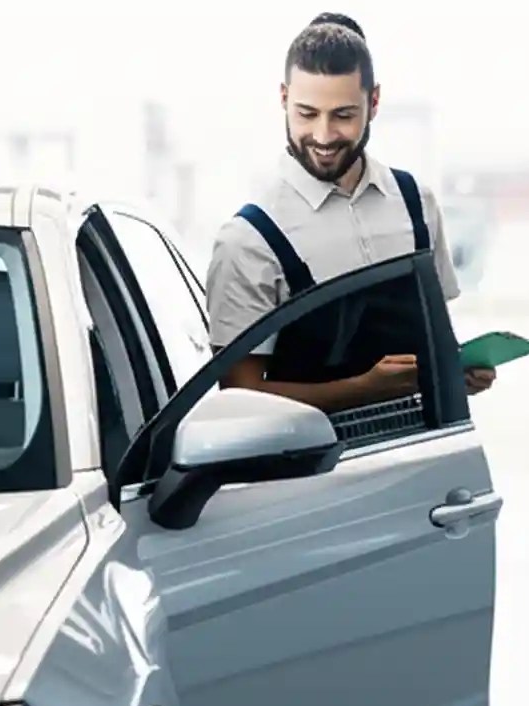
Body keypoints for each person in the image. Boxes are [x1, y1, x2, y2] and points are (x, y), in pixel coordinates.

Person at [204, 15, 496, 413]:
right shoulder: (247, 241)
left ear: (373, 102)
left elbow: (434, 338)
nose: (323, 136)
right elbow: (240, 399)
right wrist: (366, 388)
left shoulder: (417, 204)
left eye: (343, 115)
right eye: (307, 114)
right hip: (315, 469)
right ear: (283, 98)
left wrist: (454, 369)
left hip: (427, 455)